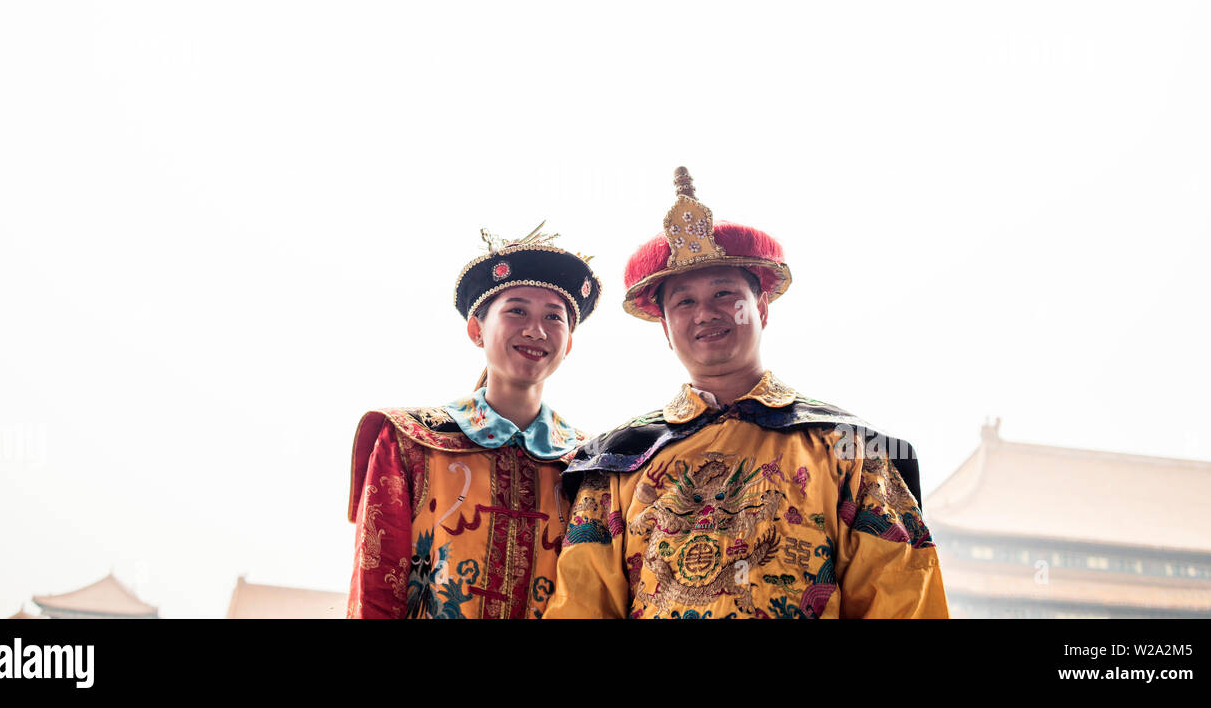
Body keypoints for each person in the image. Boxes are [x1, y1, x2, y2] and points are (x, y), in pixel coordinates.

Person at [546, 169, 948, 619]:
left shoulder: (848, 449)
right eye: (684, 302)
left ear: (759, 308)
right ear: (664, 326)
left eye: (724, 293)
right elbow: (580, 604)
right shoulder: (620, 461)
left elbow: (903, 599)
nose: (706, 314)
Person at [346, 223, 600, 618]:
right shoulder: (410, 441)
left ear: (567, 343)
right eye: (517, 310)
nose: (536, 330)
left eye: (554, 317)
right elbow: (375, 593)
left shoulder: (590, 464)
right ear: (476, 329)